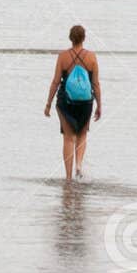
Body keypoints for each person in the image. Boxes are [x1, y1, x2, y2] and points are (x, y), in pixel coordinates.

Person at [43, 24, 101, 180]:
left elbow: (55, 82)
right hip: (86, 102)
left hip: (66, 101)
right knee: (82, 135)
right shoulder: (91, 57)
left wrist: (48, 104)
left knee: (68, 138)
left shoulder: (63, 56)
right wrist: (99, 106)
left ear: (70, 38)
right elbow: (95, 84)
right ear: (84, 38)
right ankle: (79, 165)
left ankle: (68, 178)